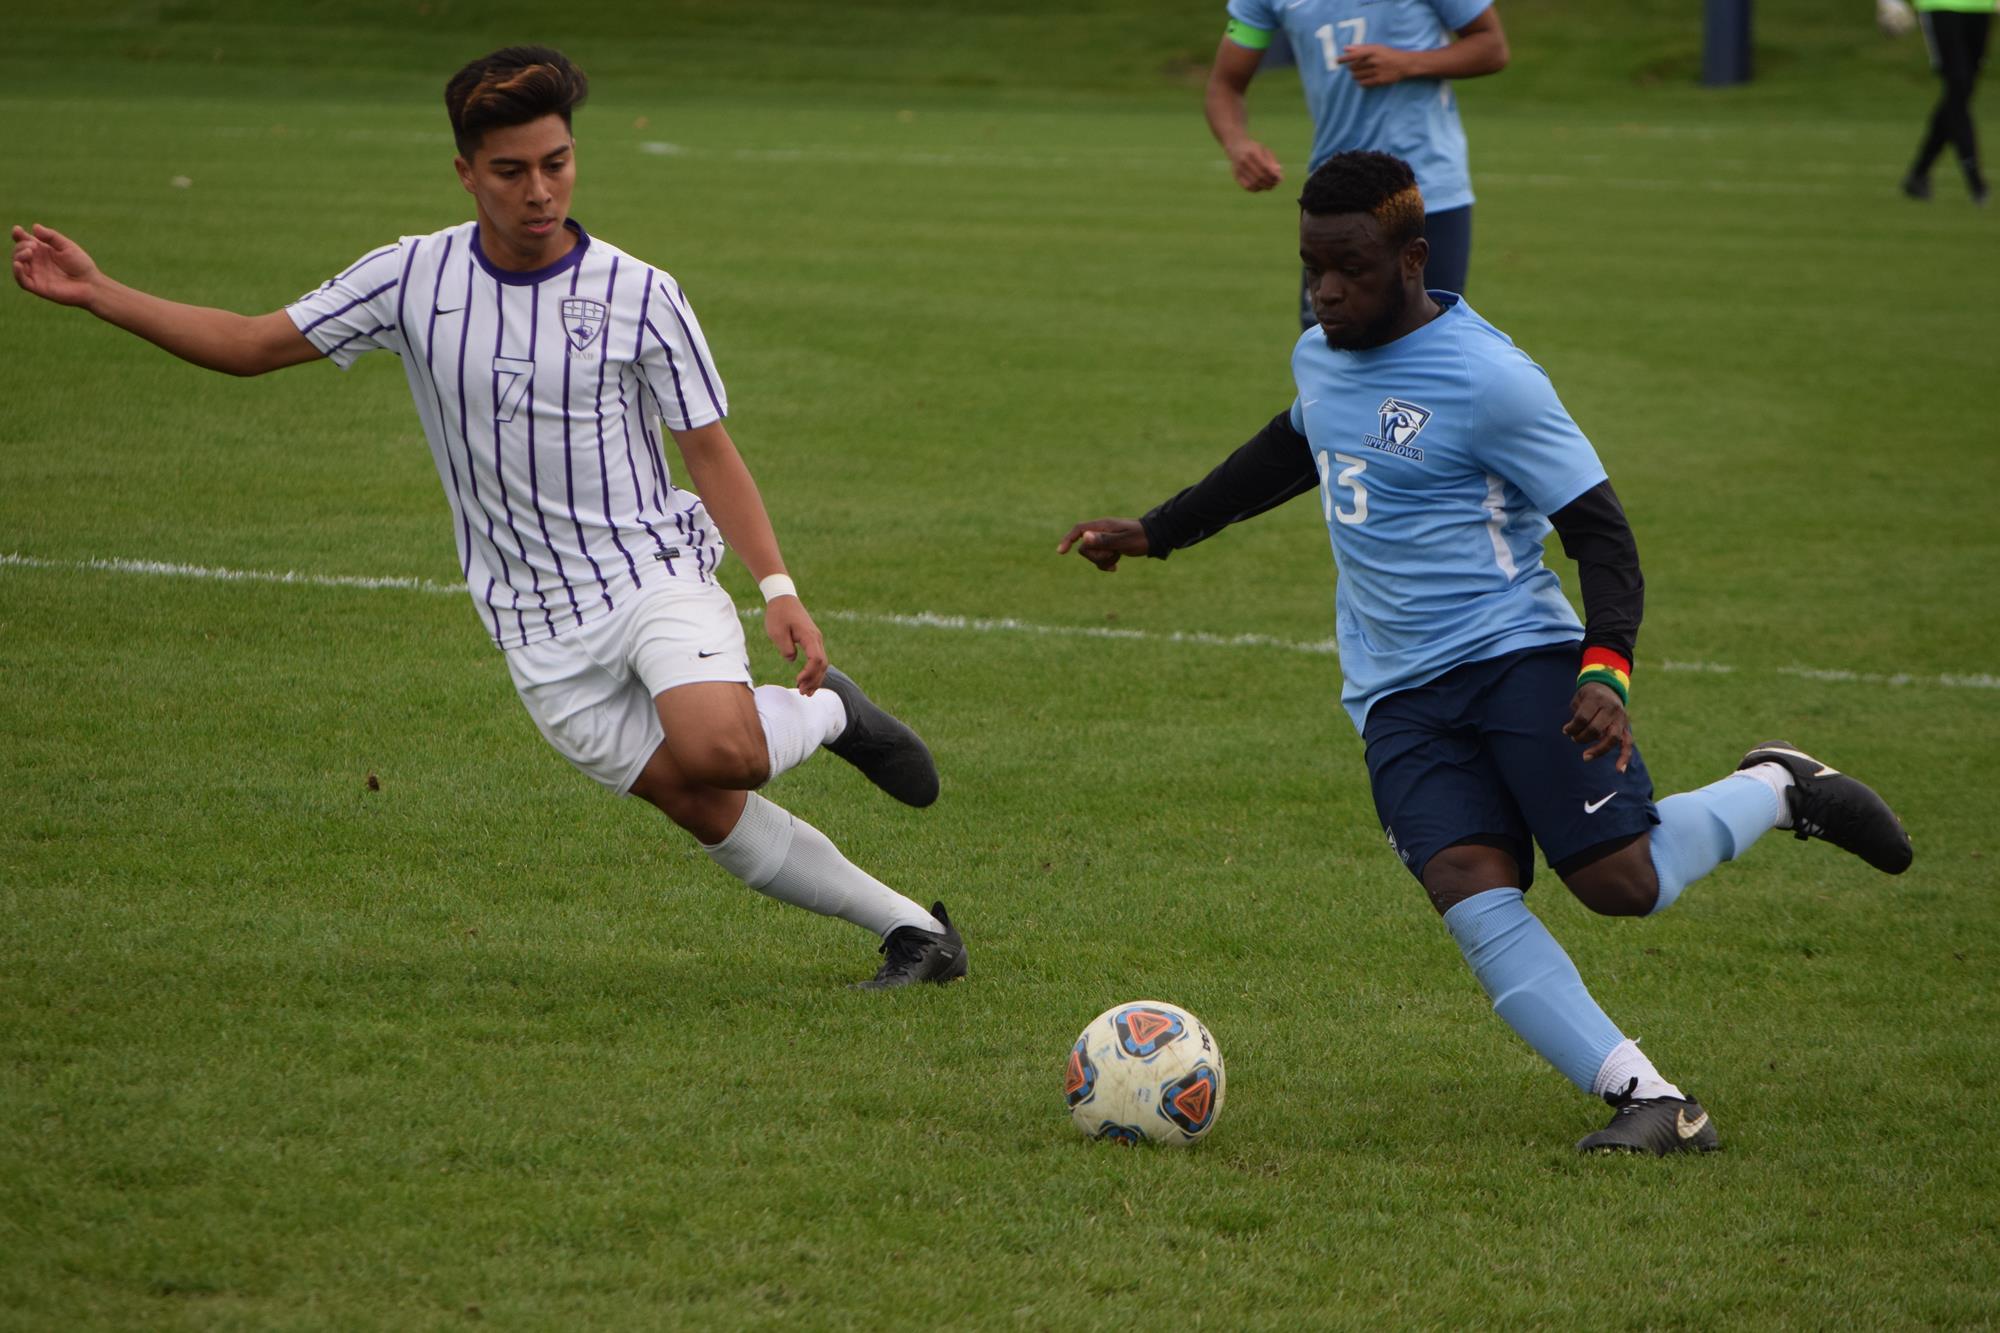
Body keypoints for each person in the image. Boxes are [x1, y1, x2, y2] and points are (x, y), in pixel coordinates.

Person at [9, 45, 968, 990]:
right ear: (466, 172)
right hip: (534, 621)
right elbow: (255, 344)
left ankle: (832, 707)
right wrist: (98, 293)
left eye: (557, 163)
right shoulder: (411, 278)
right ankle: (916, 934)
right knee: (696, 798)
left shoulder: (641, 293)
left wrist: (778, 588)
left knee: (722, 748)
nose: (540, 190)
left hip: (649, 574)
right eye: (511, 171)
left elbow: (707, 447)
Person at [1059, 151, 1912, 1154]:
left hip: (1516, 658)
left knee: (1617, 884)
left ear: (1411, 259)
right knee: (1465, 877)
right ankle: (1648, 1098)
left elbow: (1601, 534)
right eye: (1308, 269)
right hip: (1391, 693)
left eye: (1349, 270)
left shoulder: (1490, 380)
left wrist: (1604, 671)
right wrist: (1157, 530)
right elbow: (1296, 445)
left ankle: (1776, 789)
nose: (1324, 291)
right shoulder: (1319, 353)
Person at [1204, 0, 1508, 326]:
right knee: (1333, 351)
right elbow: (1225, 85)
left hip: (1428, 191)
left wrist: (1408, 63)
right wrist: (1238, 145)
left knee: (1427, 349)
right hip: (1334, 200)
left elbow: (1491, 46)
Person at [1881, 0, 1992, 205]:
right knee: (1959, 84)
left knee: (1961, 92)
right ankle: (1976, 182)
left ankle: (1919, 173)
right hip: (1939, 5)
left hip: (1982, 5)